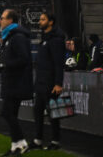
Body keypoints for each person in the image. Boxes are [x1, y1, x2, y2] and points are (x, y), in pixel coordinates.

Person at [0, 9, 33, 156]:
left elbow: (23, 59)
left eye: (2, 18)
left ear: (10, 20)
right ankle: (15, 146)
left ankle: (22, 143)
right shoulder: (10, 38)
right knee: (9, 113)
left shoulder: (17, 37)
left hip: (17, 82)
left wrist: (4, 65)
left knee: (7, 113)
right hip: (12, 81)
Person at [27, 11, 65, 151]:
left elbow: (58, 63)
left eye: (43, 19)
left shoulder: (56, 39)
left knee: (53, 113)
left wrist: (58, 83)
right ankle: (38, 139)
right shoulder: (45, 38)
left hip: (50, 83)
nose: (39, 22)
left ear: (51, 22)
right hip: (41, 81)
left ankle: (55, 141)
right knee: (38, 111)